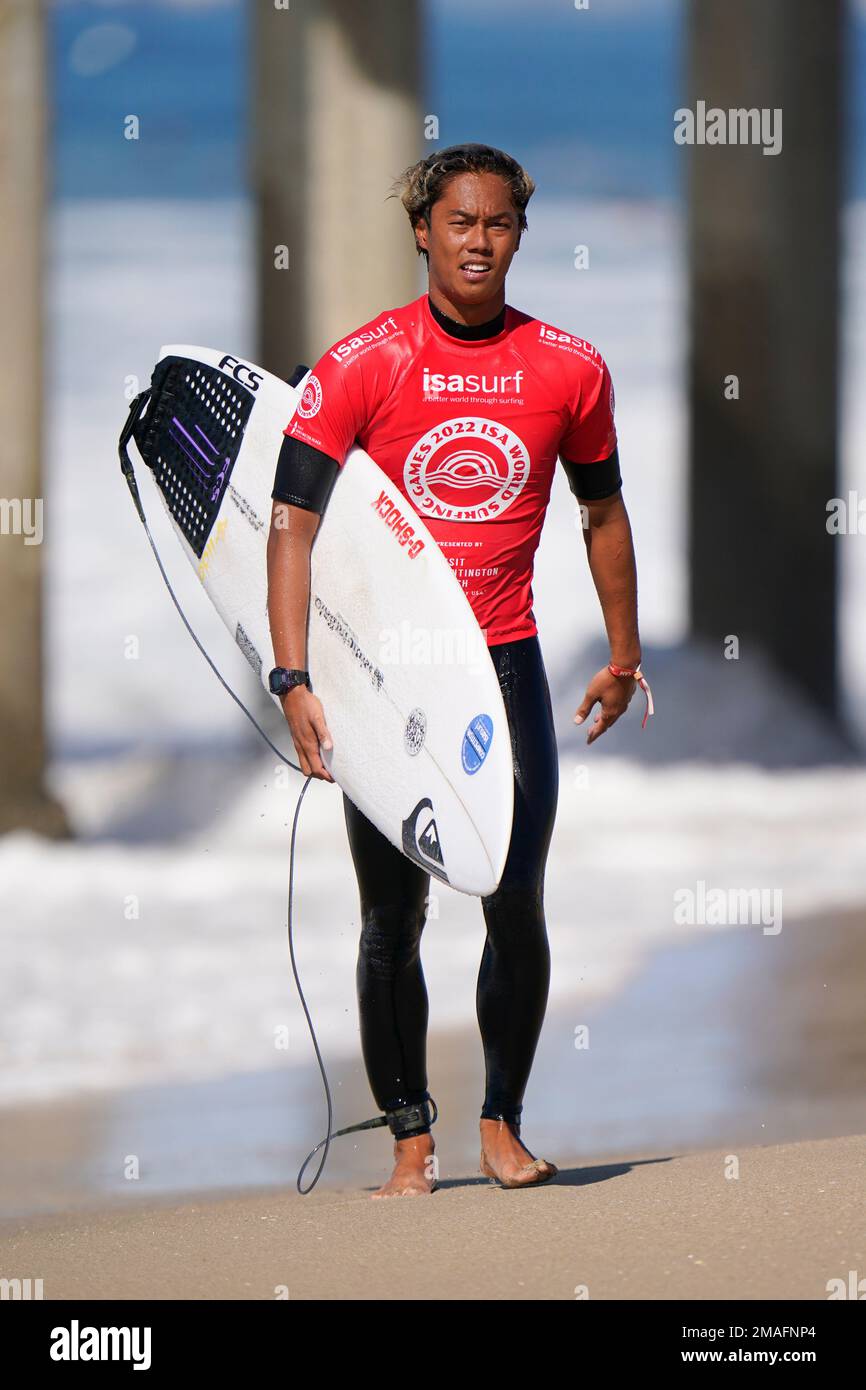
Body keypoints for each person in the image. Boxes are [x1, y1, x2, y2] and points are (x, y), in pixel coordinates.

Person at [266, 143, 647, 1198]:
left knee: (512, 896)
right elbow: (290, 523)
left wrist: (621, 653)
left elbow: (601, 513)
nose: (478, 242)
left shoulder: (568, 368)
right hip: (385, 683)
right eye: (459, 223)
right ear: (421, 232)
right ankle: (407, 1141)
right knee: (391, 917)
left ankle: (501, 1122)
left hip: (503, 663)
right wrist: (293, 676)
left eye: (497, 224)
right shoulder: (362, 362)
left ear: (519, 233)